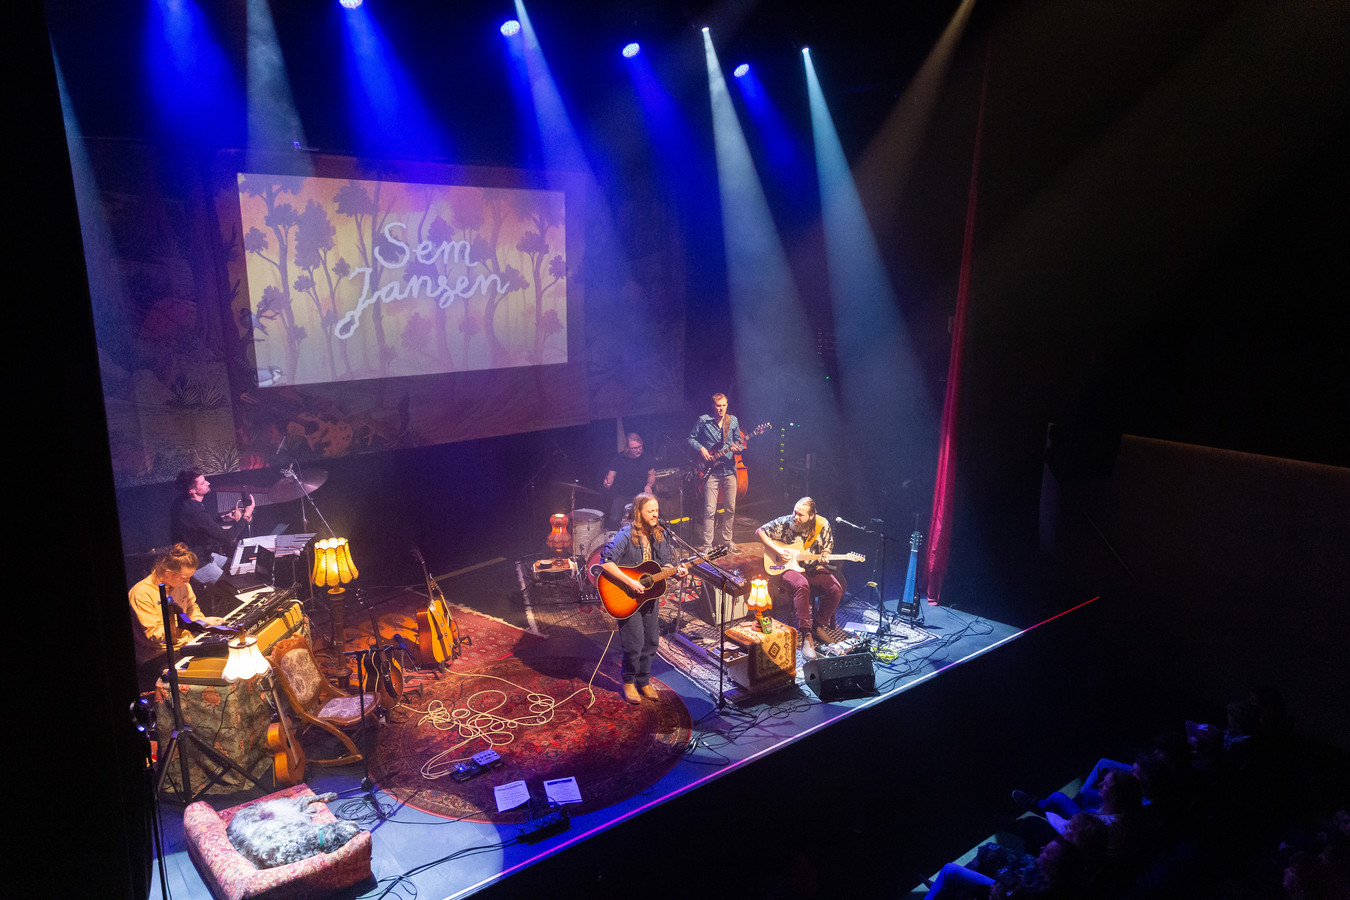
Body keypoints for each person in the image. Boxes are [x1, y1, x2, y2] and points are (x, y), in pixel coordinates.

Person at [598, 493, 687, 705]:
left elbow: (665, 564)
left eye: (656, 510)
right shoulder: (625, 535)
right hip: (626, 595)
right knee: (634, 643)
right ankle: (628, 681)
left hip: (649, 596)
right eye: (650, 511)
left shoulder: (659, 535)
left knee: (651, 641)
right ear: (639, 512)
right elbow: (606, 562)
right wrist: (630, 582)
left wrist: (675, 571)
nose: (655, 514)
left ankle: (644, 680)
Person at [128, 543, 227, 691]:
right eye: (184, 577)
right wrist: (191, 623)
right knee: (203, 676)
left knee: (223, 658)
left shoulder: (184, 585)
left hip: (185, 643)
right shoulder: (141, 593)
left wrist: (201, 623)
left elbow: (192, 609)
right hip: (157, 654)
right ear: (168, 573)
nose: (188, 582)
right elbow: (155, 634)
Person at [756, 497, 844, 659]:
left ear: (812, 516)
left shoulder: (822, 525)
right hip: (788, 568)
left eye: (800, 515)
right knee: (802, 585)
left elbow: (826, 549)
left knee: (836, 588)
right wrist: (777, 550)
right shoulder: (786, 522)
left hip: (812, 567)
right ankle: (806, 634)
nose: (795, 517)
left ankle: (818, 626)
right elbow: (760, 531)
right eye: (794, 512)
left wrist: (825, 556)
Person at [170, 467, 254, 585]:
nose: (208, 483)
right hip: (196, 563)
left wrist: (221, 518)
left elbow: (198, 525)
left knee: (235, 566)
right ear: (192, 491)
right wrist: (246, 516)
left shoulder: (182, 501)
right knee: (231, 585)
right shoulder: (194, 510)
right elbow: (227, 537)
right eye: (203, 483)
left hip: (203, 555)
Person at [687, 392, 741, 550]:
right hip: (711, 472)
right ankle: (707, 544)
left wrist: (738, 448)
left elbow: (739, 442)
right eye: (718, 406)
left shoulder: (733, 420)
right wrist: (701, 448)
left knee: (730, 508)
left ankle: (727, 540)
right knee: (710, 509)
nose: (721, 409)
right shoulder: (704, 421)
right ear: (713, 406)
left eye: (724, 405)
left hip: (729, 469)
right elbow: (690, 438)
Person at [602, 432, 655, 528]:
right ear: (627, 448)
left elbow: (651, 475)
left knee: (642, 520)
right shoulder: (619, 458)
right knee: (614, 519)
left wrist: (649, 485)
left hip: (639, 495)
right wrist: (608, 482)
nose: (638, 450)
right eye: (634, 448)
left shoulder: (646, 458)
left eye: (640, 447)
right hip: (621, 495)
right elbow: (611, 475)